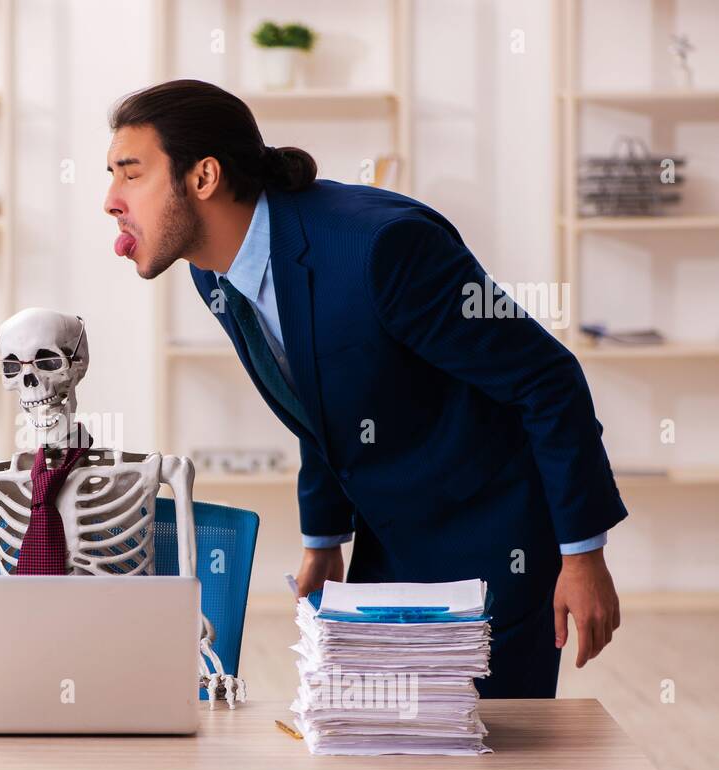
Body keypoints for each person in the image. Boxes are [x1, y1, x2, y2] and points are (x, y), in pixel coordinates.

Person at [102, 79, 626, 697]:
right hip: (390, 543)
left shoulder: (383, 249)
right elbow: (321, 402)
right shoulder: (212, 274)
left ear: (204, 177)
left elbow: (547, 378)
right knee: (376, 755)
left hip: (496, 547)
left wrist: (583, 556)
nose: (112, 199)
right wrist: (324, 539)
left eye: (130, 174)